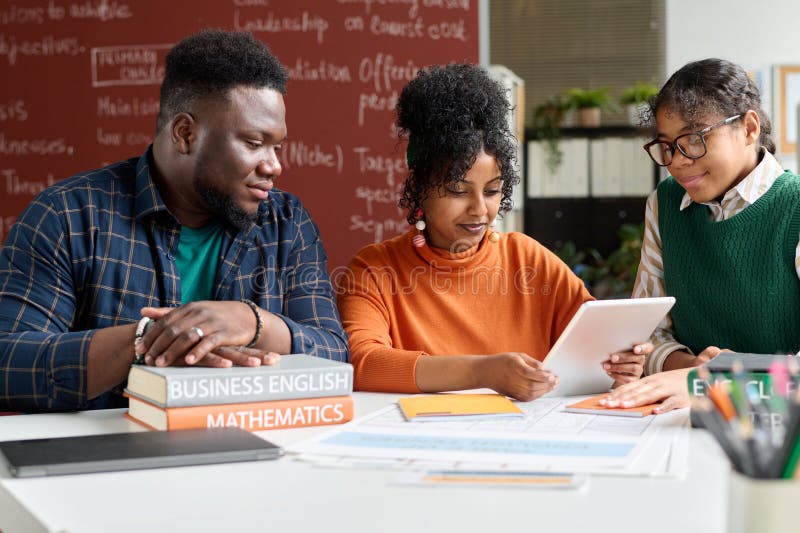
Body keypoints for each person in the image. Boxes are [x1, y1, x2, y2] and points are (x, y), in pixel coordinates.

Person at [0, 30, 348, 412]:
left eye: (276, 146)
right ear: (185, 134)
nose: (274, 166)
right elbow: (9, 360)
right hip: (109, 459)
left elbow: (334, 353)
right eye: (253, 143)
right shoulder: (68, 215)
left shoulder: (286, 222)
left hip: (251, 450)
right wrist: (152, 339)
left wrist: (253, 322)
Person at [336, 64, 651, 401]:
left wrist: (620, 362)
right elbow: (362, 363)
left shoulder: (529, 259)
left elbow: (594, 340)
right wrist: (483, 372)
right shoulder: (374, 269)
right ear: (419, 187)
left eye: (491, 191)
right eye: (458, 190)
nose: (479, 209)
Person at [603, 58, 800, 413]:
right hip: (679, 414)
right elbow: (647, 333)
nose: (678, 161)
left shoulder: (795, 206)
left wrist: (725, 379)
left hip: (780, 426)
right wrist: (689, 370)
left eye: (693, 140)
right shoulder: (664, 204)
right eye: (667, 145)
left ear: (749, 128)